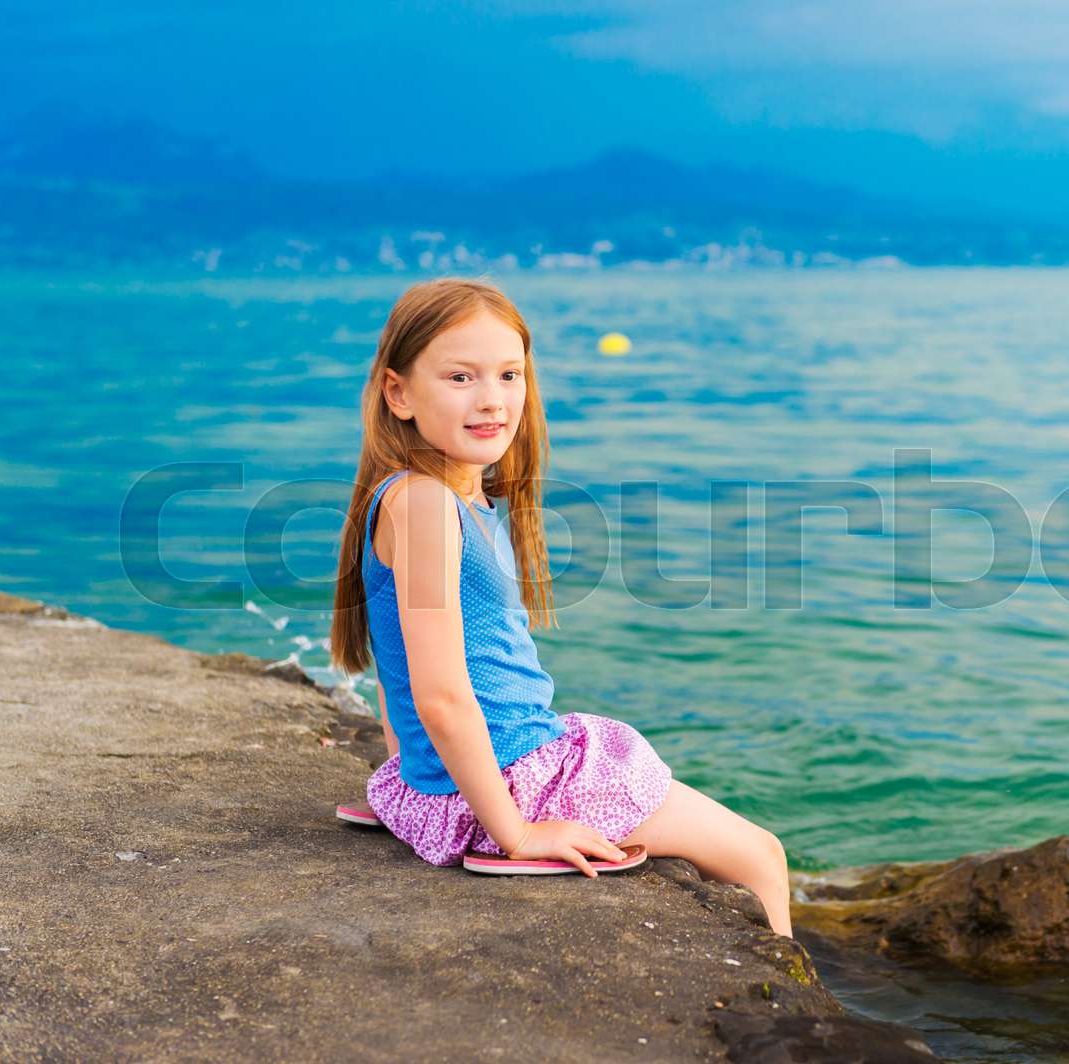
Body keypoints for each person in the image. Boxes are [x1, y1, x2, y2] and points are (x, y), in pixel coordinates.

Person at [328, 277, 792, 938]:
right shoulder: (426, 504)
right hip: (517, 778)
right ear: (398, 393)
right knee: (761, 857)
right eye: (460, 377)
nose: (492, 399)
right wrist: (516, 833)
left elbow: (394, 664)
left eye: (508, 374)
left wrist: (412, 784)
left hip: (482, 769)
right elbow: (440, 696)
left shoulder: (450, 498)